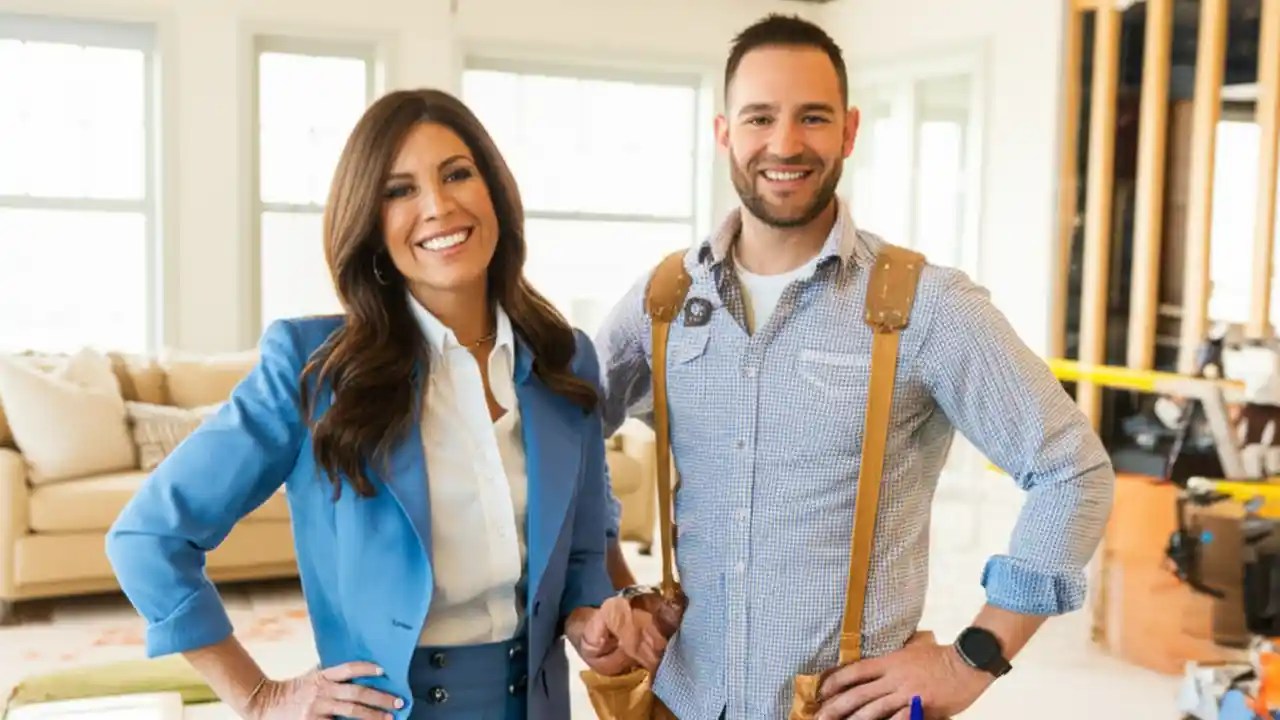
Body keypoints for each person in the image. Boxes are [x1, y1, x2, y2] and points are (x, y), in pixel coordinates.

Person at [596, 14, 1116, 720]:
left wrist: (974, 659)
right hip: (683, 702)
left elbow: (1073, 471)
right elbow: (556, 445)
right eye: (759, 118)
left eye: (813, 117)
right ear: (724, 133)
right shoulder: (664, 299)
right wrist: (615, 587)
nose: (785, 144)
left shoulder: (925, 307)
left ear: (849, 130)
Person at [107, 88, 647, 720]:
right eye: (399, 191)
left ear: (494, 189)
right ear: (369, 221)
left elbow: (583, 553)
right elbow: (148, 538)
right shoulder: (312, 369)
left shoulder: (565, 361)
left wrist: (591, 625)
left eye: (457, 174)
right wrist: (257, 696)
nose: (438, 206)